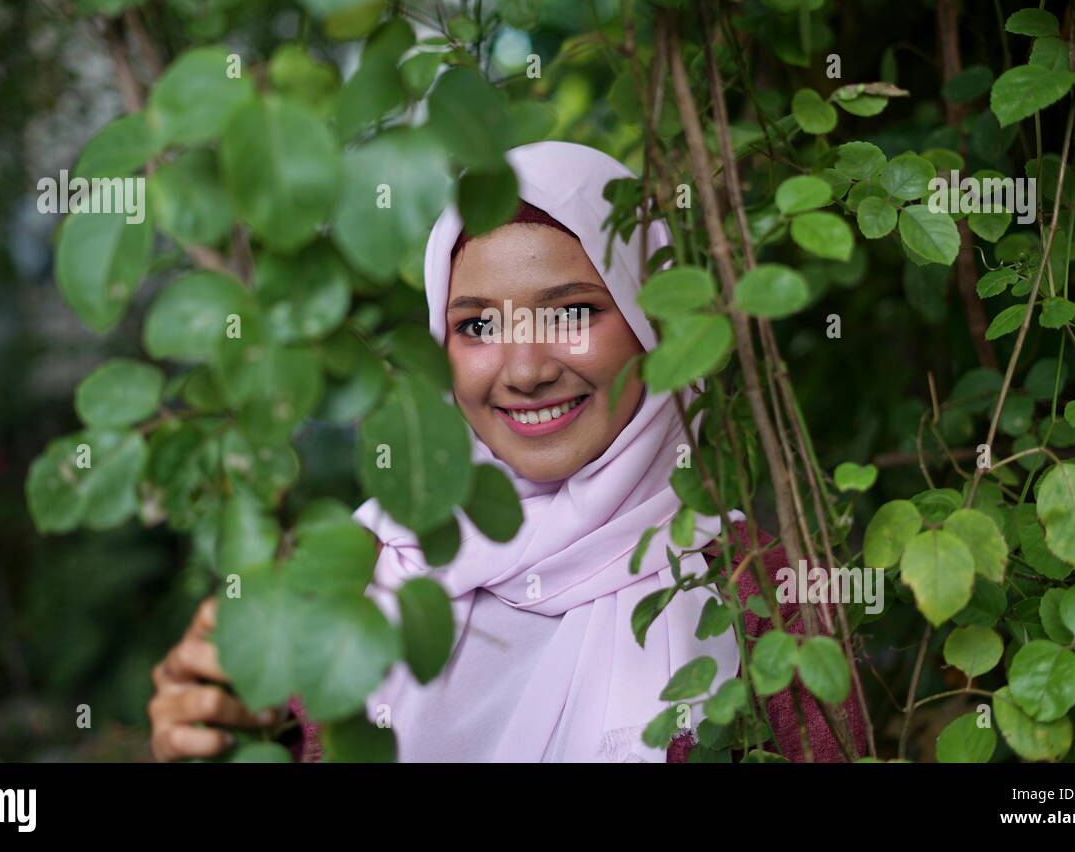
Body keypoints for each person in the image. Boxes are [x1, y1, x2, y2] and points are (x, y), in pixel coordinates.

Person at [148, 140, 867, 762]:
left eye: (573, 313)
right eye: (477, 326)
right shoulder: (351, 571)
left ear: (658, 323)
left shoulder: (761, 598)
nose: (524, 371)